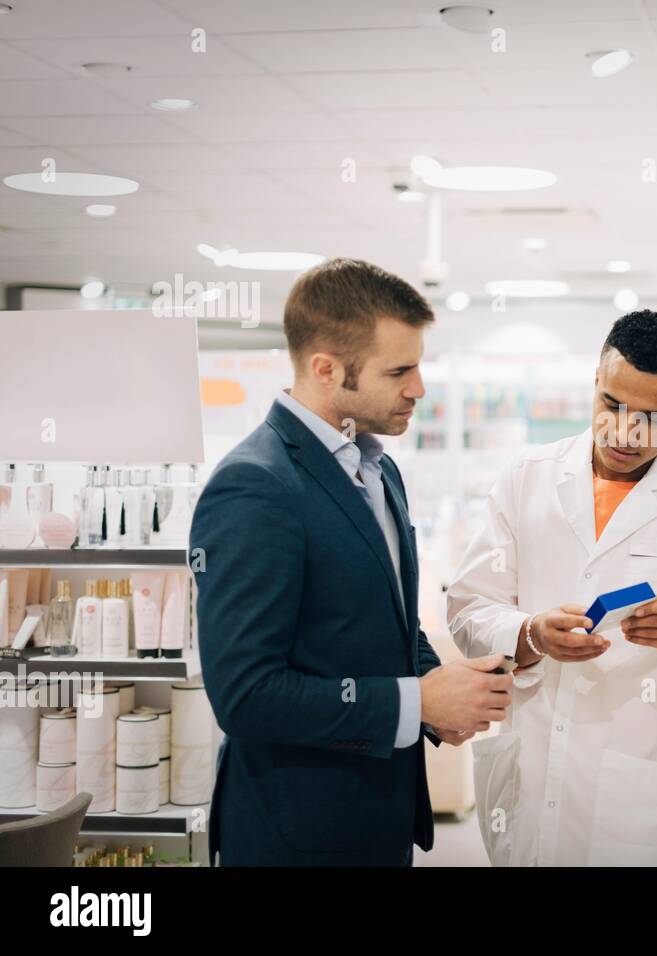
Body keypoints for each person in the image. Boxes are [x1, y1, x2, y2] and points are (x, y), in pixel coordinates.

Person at [191, 258, 513, 866]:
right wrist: (418, 702)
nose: (418, 388)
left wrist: (446, 692)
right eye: (399, 371)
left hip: (378, 819)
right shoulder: (254, 486)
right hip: (296, 834)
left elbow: (386, 619)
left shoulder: (378, 469)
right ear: (326, 369)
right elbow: (246, 694)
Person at [447, 309, 657, 866]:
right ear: (594, 381)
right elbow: (467, 609)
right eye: (612, 405)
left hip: (647, 796)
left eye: (653, 416)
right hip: (535, 776)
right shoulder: (526, 478)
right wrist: (531, 634)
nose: (626, 432)